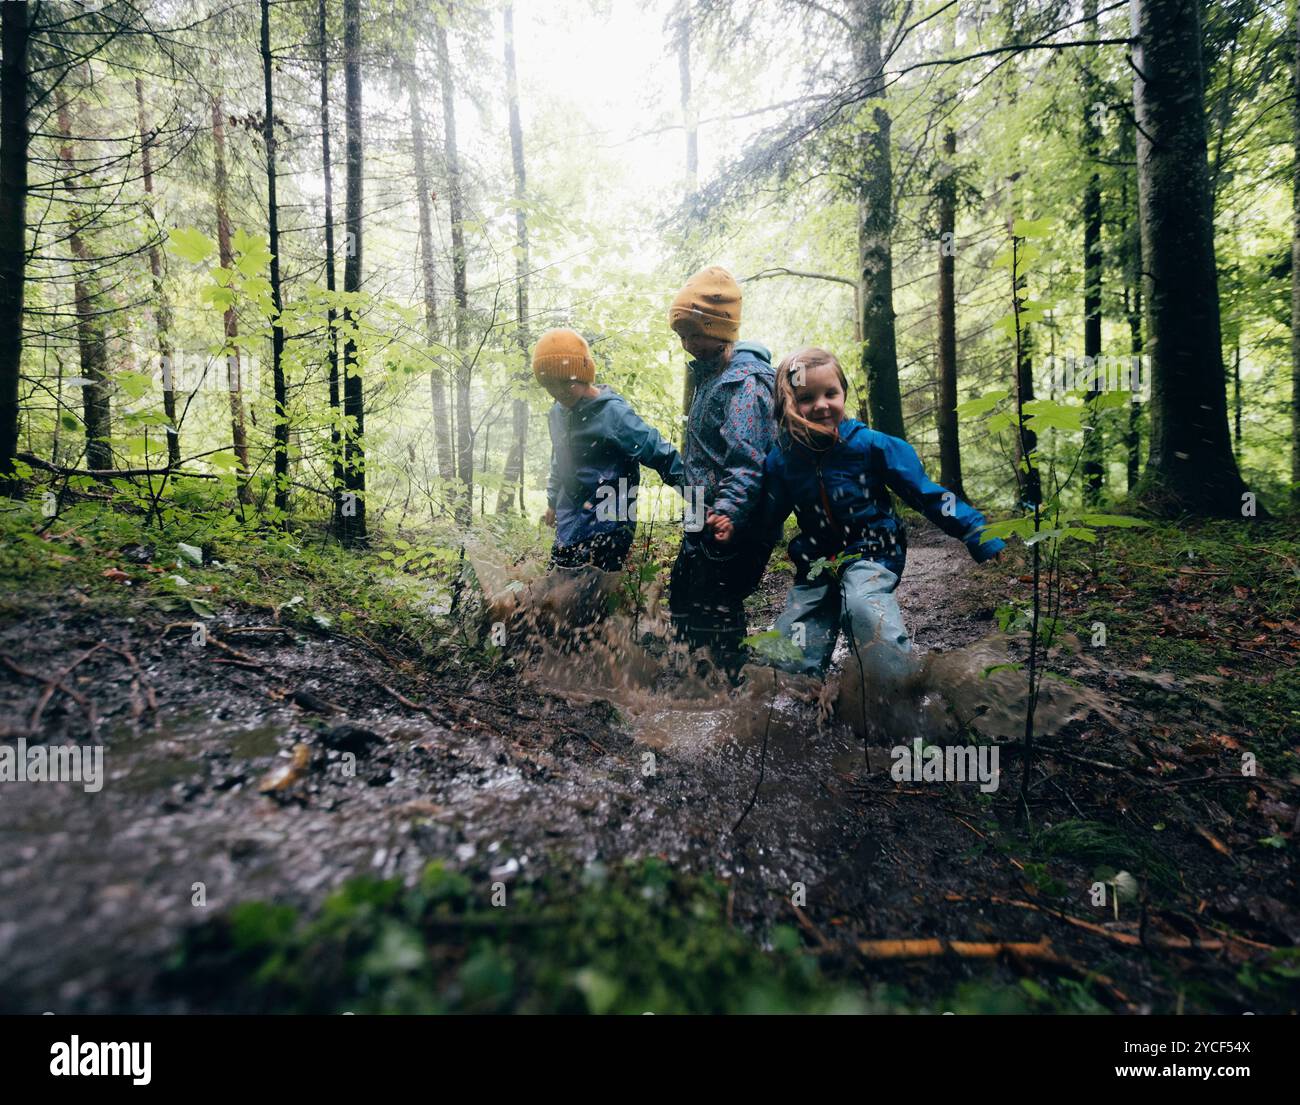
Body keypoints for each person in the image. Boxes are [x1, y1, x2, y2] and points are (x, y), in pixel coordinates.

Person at [724, 346, 1003, 683]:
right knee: (793, 631)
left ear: (843, 393)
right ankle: (794, 699)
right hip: (815, 562)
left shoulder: (871, 446)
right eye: (807, 398)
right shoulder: (783, 461)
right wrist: (737, 554)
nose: (822, 405)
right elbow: (767, 520)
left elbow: (926, 494)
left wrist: (976, 531)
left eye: (831, 393)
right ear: (788, 406)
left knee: (861, 604)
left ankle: (895, 689)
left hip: (873, 552)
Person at [665, 266, 778, 679]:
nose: (687, 344)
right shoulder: (712, 377)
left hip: (732, 518)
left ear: (722, 328)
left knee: (717, 602)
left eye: (694, 333)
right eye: (681, 335)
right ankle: (689, 673)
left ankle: (728, 689)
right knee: (683, 592)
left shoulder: (746, 383)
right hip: (703, 511)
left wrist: (729, 510)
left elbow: (747, 459)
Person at [536, 328, 684, 572]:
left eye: (566, 383)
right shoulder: (556, 414)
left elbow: (658, 452)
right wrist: (552, 501)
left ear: (583, 375)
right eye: (550, 385)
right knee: (560, 578)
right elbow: (558, 459)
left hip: (610, 518)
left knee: (594, 586)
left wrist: (700, 498)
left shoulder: (613, 415)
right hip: (571, 515)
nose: (559, 392)